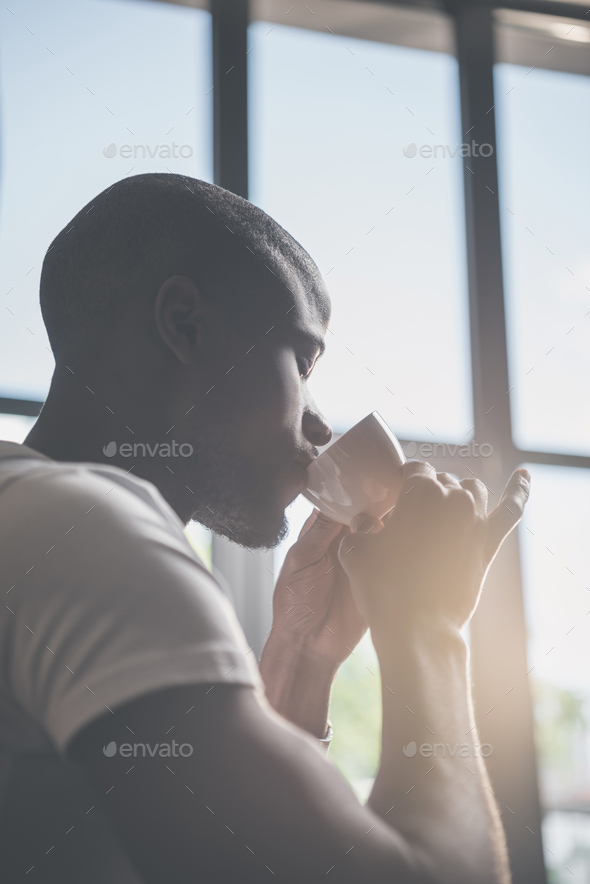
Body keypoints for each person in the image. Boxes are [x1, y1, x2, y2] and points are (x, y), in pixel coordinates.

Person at [0, 173, 530, 883]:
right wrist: (428, 624)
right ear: (184, 324)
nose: (319, 421)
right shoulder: (93, 534)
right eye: (301, 361)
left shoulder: (31, 516)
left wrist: (299, 658)